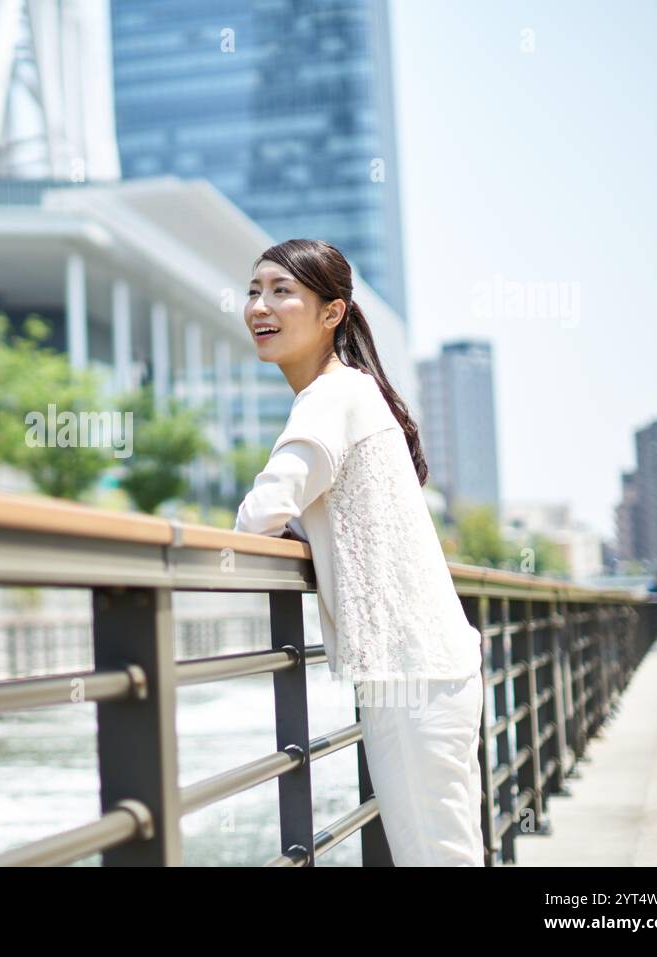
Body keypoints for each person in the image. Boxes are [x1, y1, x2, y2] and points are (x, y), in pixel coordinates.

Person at [233, 238, 485, 866]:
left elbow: (259, 514)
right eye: (254, 290)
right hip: (426, 666)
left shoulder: (330, 397)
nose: (261, 305)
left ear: (332, 313)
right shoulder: (353, 391)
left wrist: (287, 533)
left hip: (409, 673)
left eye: (282, 291)